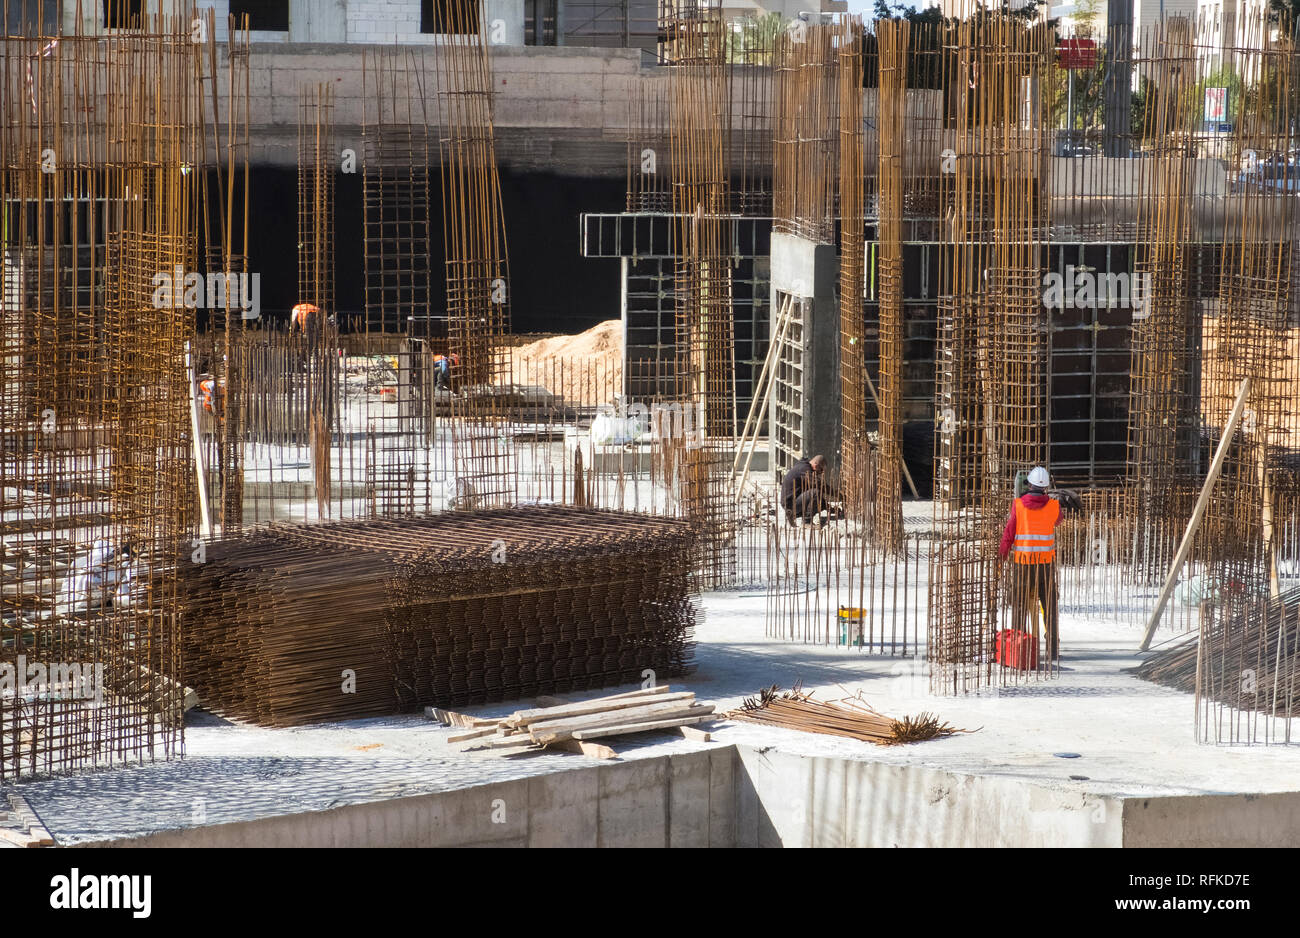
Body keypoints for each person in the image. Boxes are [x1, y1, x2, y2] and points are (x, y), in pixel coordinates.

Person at [998, 465, 1061, 660]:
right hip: (1045, 565)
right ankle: (1052, 649)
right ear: (1046, 487)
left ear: (1029, 485)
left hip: (1022, 564)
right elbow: (1057, 521)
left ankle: (1020, 649)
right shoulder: (1054, 506)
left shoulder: (1018, 505)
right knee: (1048, 606)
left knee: (1019, 606)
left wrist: (1001, 556)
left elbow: (1009, 533)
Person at [781, 454, 828, 523]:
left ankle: (794, 515)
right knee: (815, 493)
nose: (821, 473)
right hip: (790, 505)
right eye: (821, 470)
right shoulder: (805, 469)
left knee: (818, 498)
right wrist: (836, 494)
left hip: (791, 502)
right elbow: (820, 485)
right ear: (816, 465)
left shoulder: (803, 466)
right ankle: (807, 521)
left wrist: (828, 507)